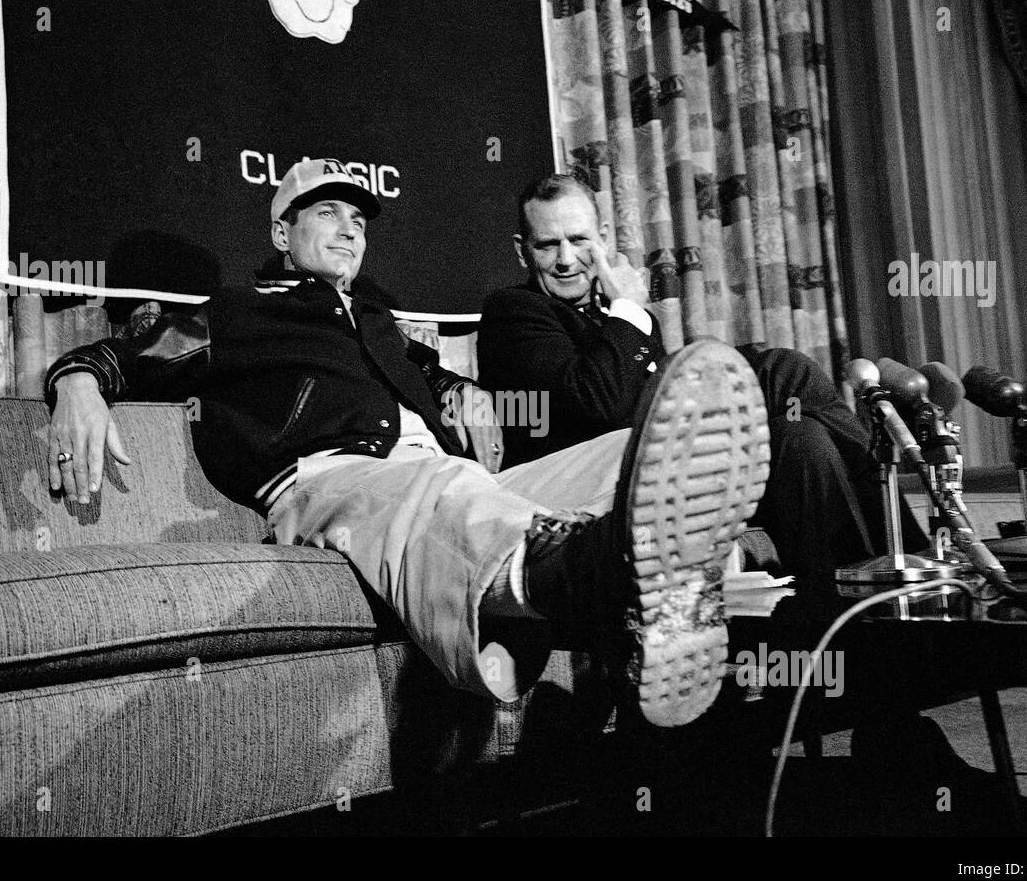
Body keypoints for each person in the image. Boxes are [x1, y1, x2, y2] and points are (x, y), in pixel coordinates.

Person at [44, 157, 771, 728]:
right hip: (333, 481)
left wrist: (464, 398)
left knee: (622, 454)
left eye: (358, 217)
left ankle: (664, 587)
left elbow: (447, 389)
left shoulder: (380, 322)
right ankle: (605, 578)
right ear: (280, 232)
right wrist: (77, 378)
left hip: (448, 482)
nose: (351, 228)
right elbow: (135, 356)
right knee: (445, 488)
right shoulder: (235, 311)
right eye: (326, 211)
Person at [478, 172, 928, 586]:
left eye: (579, 240)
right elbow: (603, 407)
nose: (566, 259)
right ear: (522, 250)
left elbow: (645, 393)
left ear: (604, 239)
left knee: (799, 427)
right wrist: (631, 311)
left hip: (676, 461)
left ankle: (867, 589)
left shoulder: (615, 317)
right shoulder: (514, 313)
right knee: (789, 392)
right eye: (547, 245)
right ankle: (915, 555)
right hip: (603, 482)